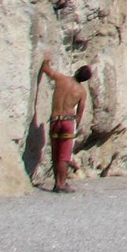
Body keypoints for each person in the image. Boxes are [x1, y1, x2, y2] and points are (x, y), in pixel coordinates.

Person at [39, 56, 92, 193]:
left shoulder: (61, 79)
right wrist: (76, 125)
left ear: (77, 71)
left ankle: (57, 182)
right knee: (64, 155)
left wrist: (46, 58)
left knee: (55, 153)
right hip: (68, 121)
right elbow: (79, 112)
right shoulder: (81, 92)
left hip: (55, 120)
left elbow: (46, 70)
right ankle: (62, 184)